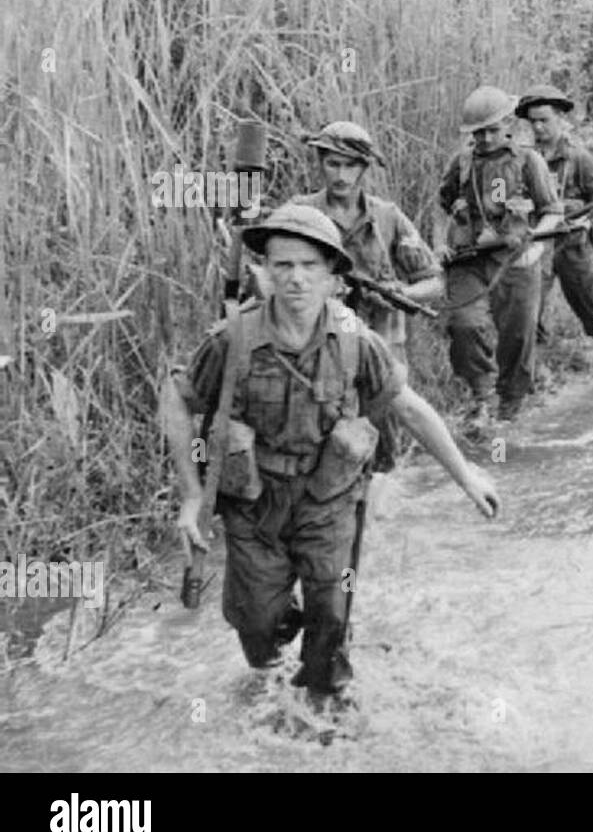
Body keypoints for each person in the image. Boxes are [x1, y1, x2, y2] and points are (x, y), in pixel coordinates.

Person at [161, 204, 499, 700]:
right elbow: (177, 398)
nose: (295, 279)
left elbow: (408, 408)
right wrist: (191, 496)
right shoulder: (233, 340)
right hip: (254, 504)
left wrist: (466, 475)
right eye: (283, 265)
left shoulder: (356, 342)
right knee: (256, 625)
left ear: (332, 277)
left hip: (329, 502)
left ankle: (321, 717)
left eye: (309, 266)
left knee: (331, 616)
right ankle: (276, 669)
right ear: (264, 272)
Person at [269, 121, 445, 473]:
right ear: (320, 163)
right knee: (320, 441)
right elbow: (268, 273)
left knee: (383, 443)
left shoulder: (387, 217)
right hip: (316, 348)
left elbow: (434, 282)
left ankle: (376, 514)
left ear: (364, 168)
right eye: (333, 163)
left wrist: (401, 293)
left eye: (350, 165)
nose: (341, 174)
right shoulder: (300, 214)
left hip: (381, 346)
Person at [437, 86, 564, 426]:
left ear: (508, 124)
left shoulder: (528, 161)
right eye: (480, 132)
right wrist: (441, 243)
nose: (487, 138)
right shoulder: (461, 164)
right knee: (464, 325)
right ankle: (481, 395)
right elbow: (443, 205)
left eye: (494, 129)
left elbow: (553, 211)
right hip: (469, 261)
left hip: (516, 260)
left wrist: (534, 245)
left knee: (518, 336)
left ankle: (510, 405)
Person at [515, 84, 593, 368]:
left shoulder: (578, 157)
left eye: (545, 120)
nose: (538, 127)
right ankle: (537, 364)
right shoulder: (523, 158)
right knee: (528, 309)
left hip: (574, 246)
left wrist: (586, 219)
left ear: (559, 119)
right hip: (539, 245)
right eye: (533, 122)